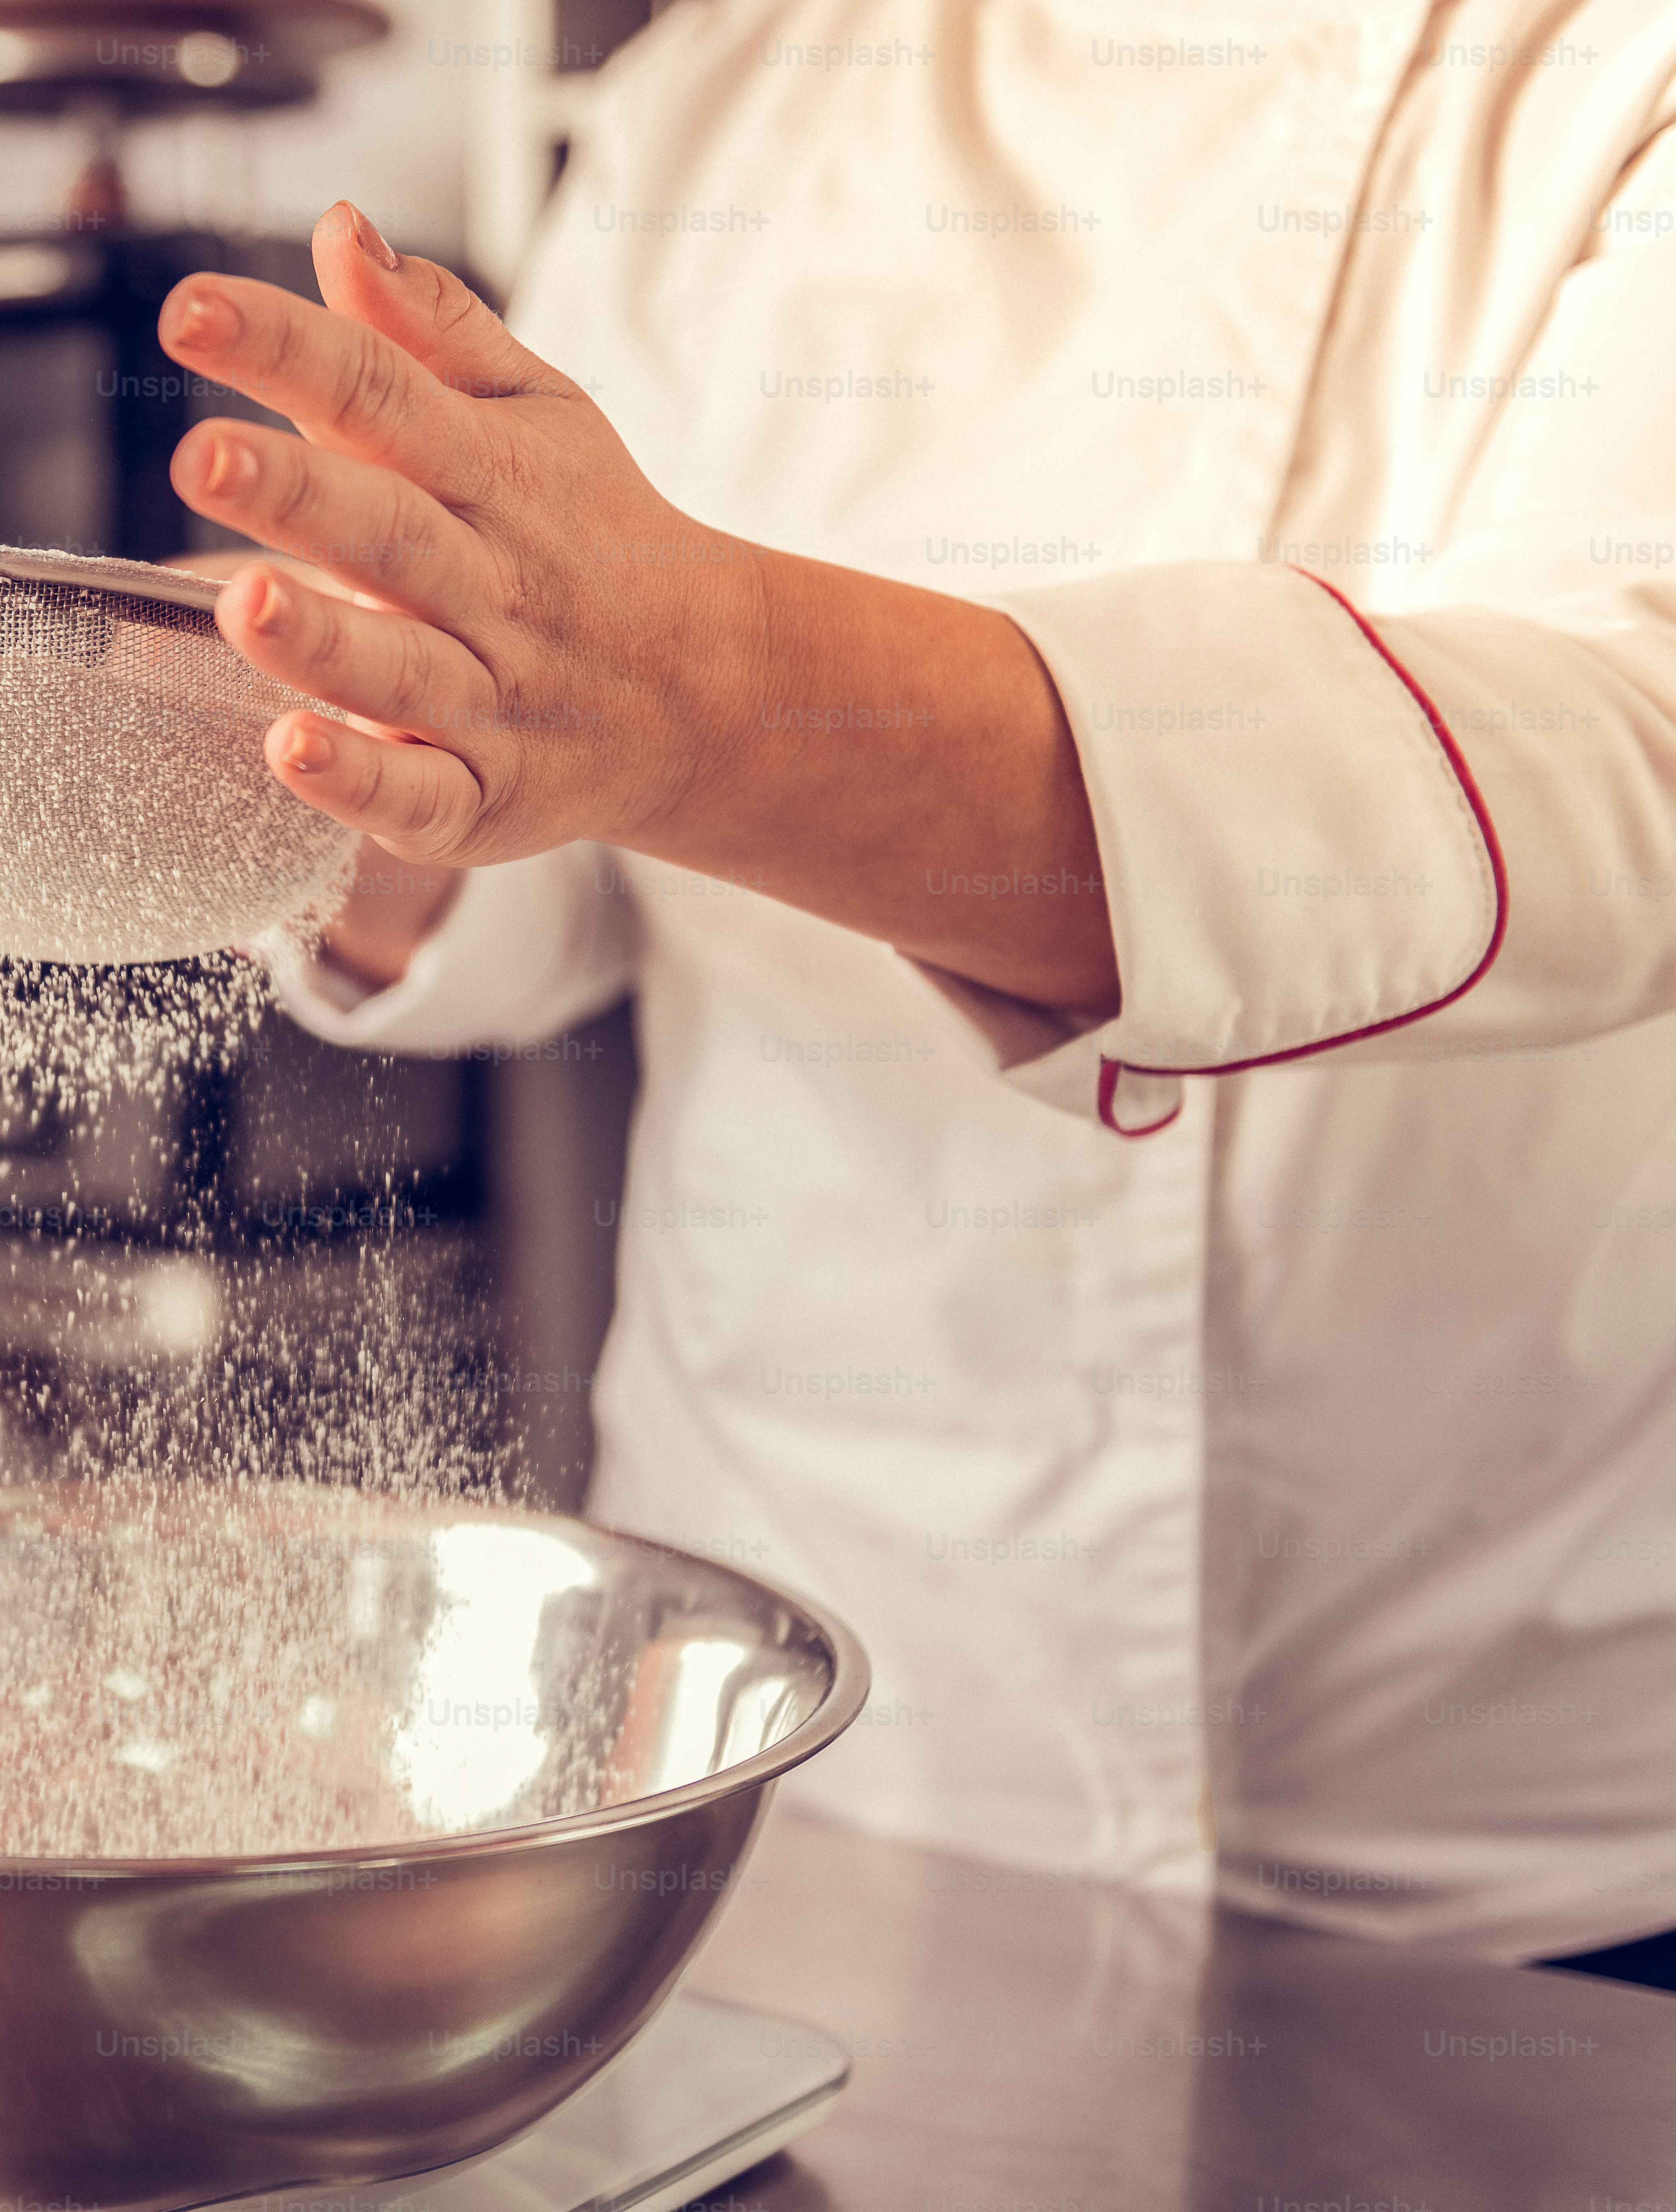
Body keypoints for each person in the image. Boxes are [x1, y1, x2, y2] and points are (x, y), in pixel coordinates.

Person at [153, 0, 1676, 1979]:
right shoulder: (735, 89)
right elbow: (569, 883)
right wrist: (354, 758)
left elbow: (1614, 768)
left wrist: (712, 693)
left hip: (1520, 1831)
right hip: (784, 1747)